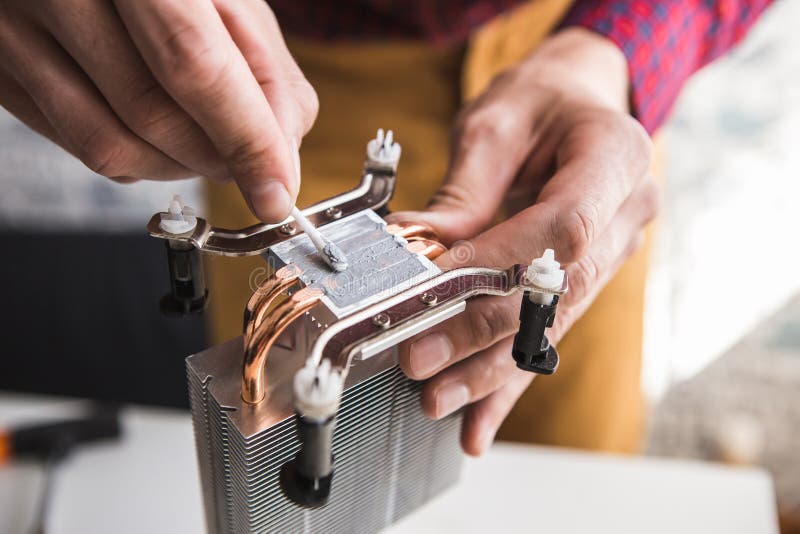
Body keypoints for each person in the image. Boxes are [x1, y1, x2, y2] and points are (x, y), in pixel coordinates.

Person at [0, 0, 773, 455]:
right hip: (283, 73)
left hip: (577, 78)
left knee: (570, 472)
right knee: (286, 438)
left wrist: (620, 51)